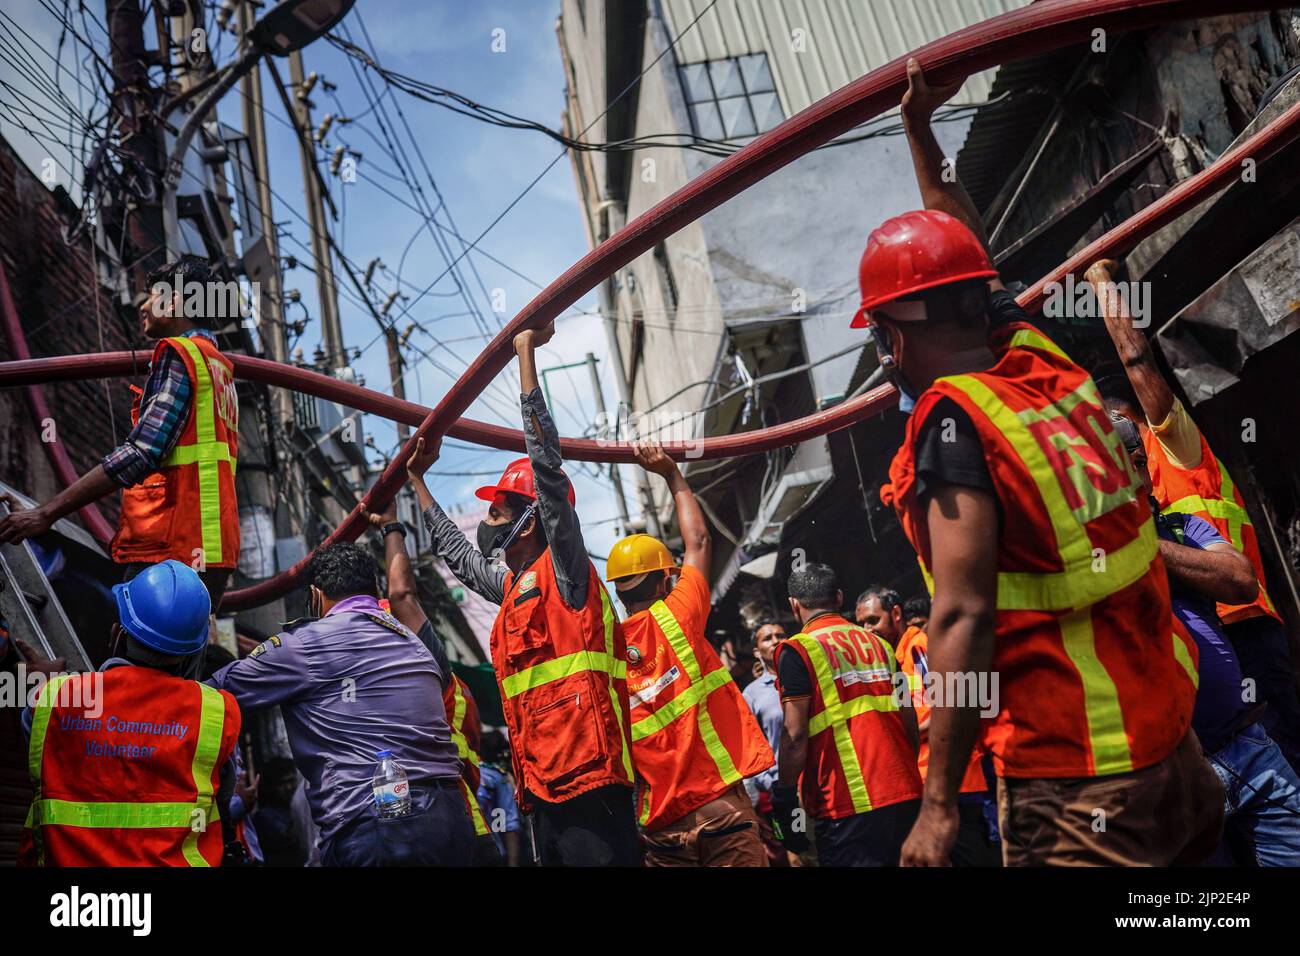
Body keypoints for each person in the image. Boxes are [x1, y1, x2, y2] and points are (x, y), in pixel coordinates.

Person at [875, 59, 1221, 867]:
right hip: (1176, 752)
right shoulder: (1041, 358)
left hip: (1080, 782)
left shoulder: (953, 422)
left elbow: (960, 617)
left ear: (891, 341)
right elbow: (969, 256)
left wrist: (937, 809)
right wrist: (920, 132)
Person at [408, 320, 639, 867]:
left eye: (497, 509)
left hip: (592, 783)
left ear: (532, 520)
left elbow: (547, 469)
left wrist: (525, 357)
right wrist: (417, 482)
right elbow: (459, 559)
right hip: (539, 790)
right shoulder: (513, 586)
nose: (486, 519)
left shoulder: (566, 571)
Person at [1088, 256, 1300, 773]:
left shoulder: (1173, 447)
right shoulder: (1116, 493)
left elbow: (1138, 361)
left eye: (1115, 424)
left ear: (1132, 418)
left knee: (1286, 763)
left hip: (1242, 626)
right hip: (1193, 647)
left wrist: (1099, 284)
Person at [0, 256, 240, 620]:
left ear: (174, 302)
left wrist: (45, 514)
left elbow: (140, 453)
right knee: (182, 671)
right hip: (212, 550)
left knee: (138, 666)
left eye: (152, 296)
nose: (142, 306)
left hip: (172, 547)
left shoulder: (180, 355)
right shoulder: (221, 369)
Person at [207, 543, 473, 866]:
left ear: (316, 596)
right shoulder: (414, 643)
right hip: (450, 821)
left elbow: (215, 691)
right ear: (374, 590)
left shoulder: (308, 644)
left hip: (376, 828)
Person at [1115, 416, 1300, 865]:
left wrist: (1144, 542)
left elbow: (1240, 580)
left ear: (1137, 465)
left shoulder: (1180, 526)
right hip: (1170, 777)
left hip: (1248, 747)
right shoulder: (1087, 553)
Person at [606, 440, 773, 867]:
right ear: (665, 580)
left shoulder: (604, 654)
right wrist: (671, 474)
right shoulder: (679, 614)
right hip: (720, 808)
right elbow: (699, 540)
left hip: (662, 827)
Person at [18, 559, 242, 866]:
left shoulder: (55, 698)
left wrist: (37, 683)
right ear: (195, 650)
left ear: (117, 632)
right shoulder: (215, 713)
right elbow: (224, 794)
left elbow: (37, 741)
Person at [364, 503, 497, 864]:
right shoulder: (446, 682)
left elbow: (402, 596)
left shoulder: (428, 673)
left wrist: (393, 527)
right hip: (466, 826)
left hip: (443, 830)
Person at [773, 563, 923, 867]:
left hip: (847, 801)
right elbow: (910, 721)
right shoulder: (881, 645)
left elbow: (794, 736)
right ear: (839, 598)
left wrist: (785, 796)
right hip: (905, 793)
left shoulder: (797, 651)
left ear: (794, 605)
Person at [856, 585, 998, 866]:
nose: (867, 630)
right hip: (927, 781)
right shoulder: (895, 658)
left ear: (896, 613)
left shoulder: (918, 646)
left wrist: (902, 736)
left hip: (954, 780)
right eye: (861, 624)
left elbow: (952, 705)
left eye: (873, 620)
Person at [477, 730, 523, 866]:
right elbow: (508, 823)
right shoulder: (497, 777)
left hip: (487, 854)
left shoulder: (496, 778)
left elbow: (507, 823)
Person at [253, 758, 310, 867]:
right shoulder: (265, 817)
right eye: (282, 783)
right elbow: (290, 837)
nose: (289, 787)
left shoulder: (298, 805)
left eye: (291, 781)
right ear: (272, 787)